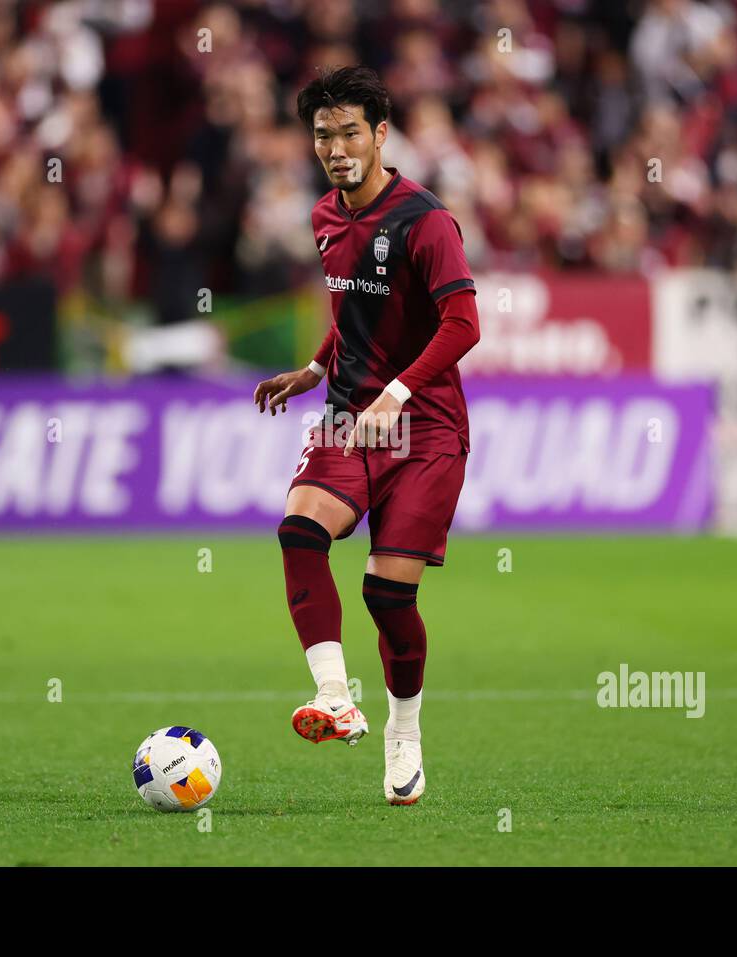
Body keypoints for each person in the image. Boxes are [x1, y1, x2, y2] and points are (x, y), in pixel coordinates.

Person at [253, 66, 480, 806]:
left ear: (381, 134)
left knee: (386, 593)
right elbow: (354, 310)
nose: (337, 146)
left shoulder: (426, 221)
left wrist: (401, 390)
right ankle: (335, 697)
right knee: (298, 529)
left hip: (428, 430)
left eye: (351, 131)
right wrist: (315, 368)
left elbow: (464, 324)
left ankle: (404, 727)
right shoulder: (324, 217)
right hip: (352, 416)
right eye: (324, 134)